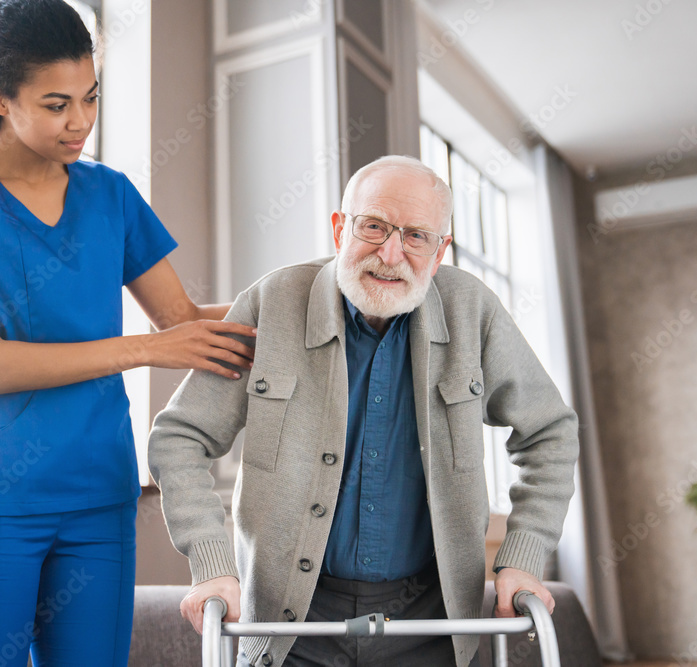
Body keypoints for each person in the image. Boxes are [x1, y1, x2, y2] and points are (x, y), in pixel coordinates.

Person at [0, 1, 255, 665]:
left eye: (90, 97)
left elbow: (184, 323)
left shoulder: (110, 195)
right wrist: (147, 350)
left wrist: (313, 300)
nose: (82, 121)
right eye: (57, 104)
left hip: (99, 501)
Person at [148, 155, 580, 667]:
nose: (391, 253)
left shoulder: (473, 310)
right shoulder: (274, 300)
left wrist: (524, 555)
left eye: (417, 236)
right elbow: (180, 436)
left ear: (439, 251)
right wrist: (211, 562)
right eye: (373, 226)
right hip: (289, 625)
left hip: (432, 623)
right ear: (339, 229)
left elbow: (550, 431)